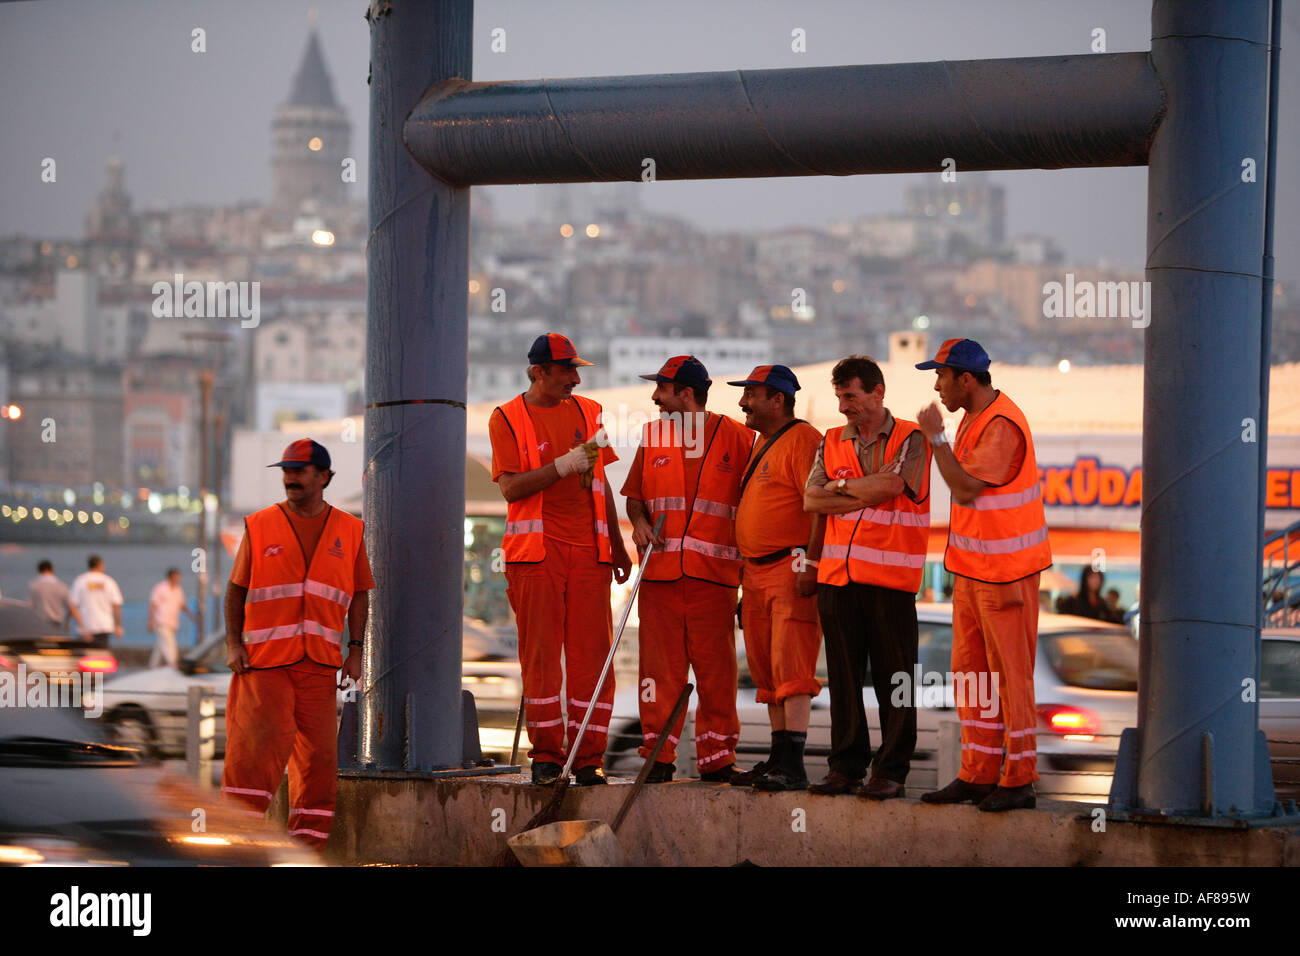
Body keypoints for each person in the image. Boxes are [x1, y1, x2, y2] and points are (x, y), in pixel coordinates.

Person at [489, 333, 632, 786]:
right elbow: (511, 488)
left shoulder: (589, 412)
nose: (575, 377)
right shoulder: (507, 418)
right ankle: (548, 758)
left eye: (577, 370)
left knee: (593, 658)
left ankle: (588, 758)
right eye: (566, 370)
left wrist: (616, 542)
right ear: (538, 373)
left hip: (589, 553)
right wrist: (562, 467)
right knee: (542, 659)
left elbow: (601, 481)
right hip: (536, 556)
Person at [916, 338, 1052, 812]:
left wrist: (935, 438)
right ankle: (978, 773)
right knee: (971, 675)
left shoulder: (1001, 425)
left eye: (941, 376)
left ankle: (1019, 779)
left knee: (1010, 677)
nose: (937, 386)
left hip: (1006, 576)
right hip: (974, 573)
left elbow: (966, 488)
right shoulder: (976, 418)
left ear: (966, 380)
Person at [221, 438, 373, 848]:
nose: (290, 478)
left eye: (299, 471)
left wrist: (355, 651)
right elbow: (235, 592)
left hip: (318, 666)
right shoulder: (259, 525)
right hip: (264, 665)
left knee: (319, 764)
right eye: (286, 471)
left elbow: (360, 593)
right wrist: (233, 645)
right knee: (252, 759)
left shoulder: (350, 529)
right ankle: (235, 849)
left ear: (323, 477)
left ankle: (306, 851)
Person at [623, 355, 755, 784]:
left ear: (685, 393)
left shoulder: (740, 439)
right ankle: (657, 756)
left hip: (714, 579)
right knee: (657, 674)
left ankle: (717, 757)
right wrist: (640, 522)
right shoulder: (653, 435)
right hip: (659, 577)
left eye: (661, 389)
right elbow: (634, 496)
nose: (654, 398)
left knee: (716, 672)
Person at [804, 355, 931, 800]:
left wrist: (838, 490)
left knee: (895, 680)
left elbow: (894, 488)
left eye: (851, 396)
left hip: (891, 583)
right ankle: (846, 768)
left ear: (878, 392)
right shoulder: (831, 439)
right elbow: (811, 500)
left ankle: (891, 771)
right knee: (843, 678)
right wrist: (857, 491)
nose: (843, 407)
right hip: (838, 580)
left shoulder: (912, 438)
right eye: (840, 397)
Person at [728, 365, 825, 790]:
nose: (742, 403)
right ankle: (778, 757)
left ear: (778, 399)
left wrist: (812, 565)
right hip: (757, 572)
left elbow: (819, 506)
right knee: (767, 673)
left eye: (751, 394)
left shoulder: (803, 440)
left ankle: (794, 765)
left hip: (790, 567)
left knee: (793, 668)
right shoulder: (762, 443)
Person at [69, 555, 123, 648]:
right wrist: (118, 625)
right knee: (102, 657)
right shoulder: (109, 581)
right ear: (101, 565)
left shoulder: (80, 581)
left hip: (86, 626)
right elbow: (116, 605)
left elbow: (73, 606)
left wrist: (82, 627)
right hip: (104, 625)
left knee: (85, 659)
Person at [147, 568, 196, 669]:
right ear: (170, 576)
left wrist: (191, 615)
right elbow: (153, 604)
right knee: (170, 645)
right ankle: (174, 666)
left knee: (161, 646)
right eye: (176, 576)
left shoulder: (178, 589)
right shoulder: (160, 588)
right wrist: (151, 620)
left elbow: (182, 605)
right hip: (161, 621)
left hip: (172, 622)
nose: (178, 579)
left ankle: (153, 667)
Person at [28, 560, 83, 634]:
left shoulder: (34, 586)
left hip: (39, 626)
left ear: (38, 570)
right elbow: (72, 607)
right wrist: (82, 627)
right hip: (56, 625)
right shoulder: (61, 586)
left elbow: (29, 608)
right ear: (52, 570)